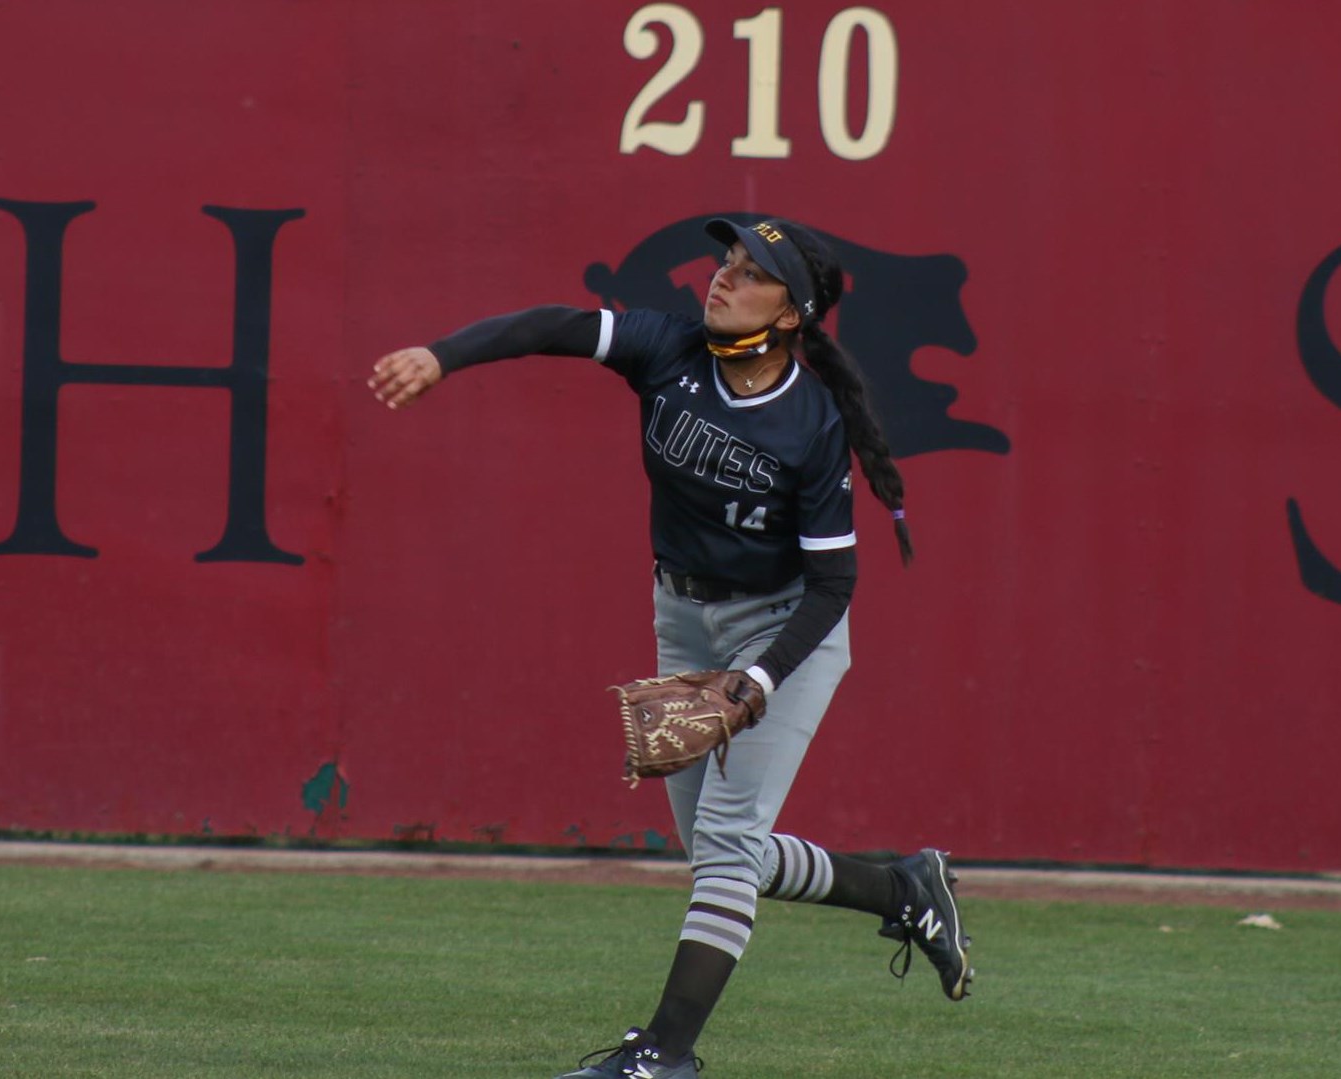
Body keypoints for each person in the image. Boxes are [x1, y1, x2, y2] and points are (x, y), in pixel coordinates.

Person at [369, 217, 973, 1079]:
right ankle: (902, 888)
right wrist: (441, 355)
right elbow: (553, 327)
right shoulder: (669, 349)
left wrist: (754, 682)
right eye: (725, 260)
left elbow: (833, 587)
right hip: (685, 613)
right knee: (718, 854)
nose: (722, 278)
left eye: (750, 272)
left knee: (725, 849)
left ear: (792, 312)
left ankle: (664, 1054)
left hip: (781, 632)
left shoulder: (809, 423)